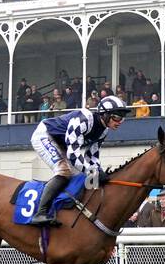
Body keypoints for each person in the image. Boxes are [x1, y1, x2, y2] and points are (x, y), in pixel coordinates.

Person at [29, 95, 132, 226]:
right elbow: (73, 155)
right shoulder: (84, 119)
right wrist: (93, 172)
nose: (119, 122)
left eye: (122, 119)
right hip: (45, 135)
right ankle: (40, 212)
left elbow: (92, 157)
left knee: (82, 175)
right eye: (117, 117)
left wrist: (98, 173)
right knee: (64, 171)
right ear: (104, 114)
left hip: (63, 144)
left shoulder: (103, 131)